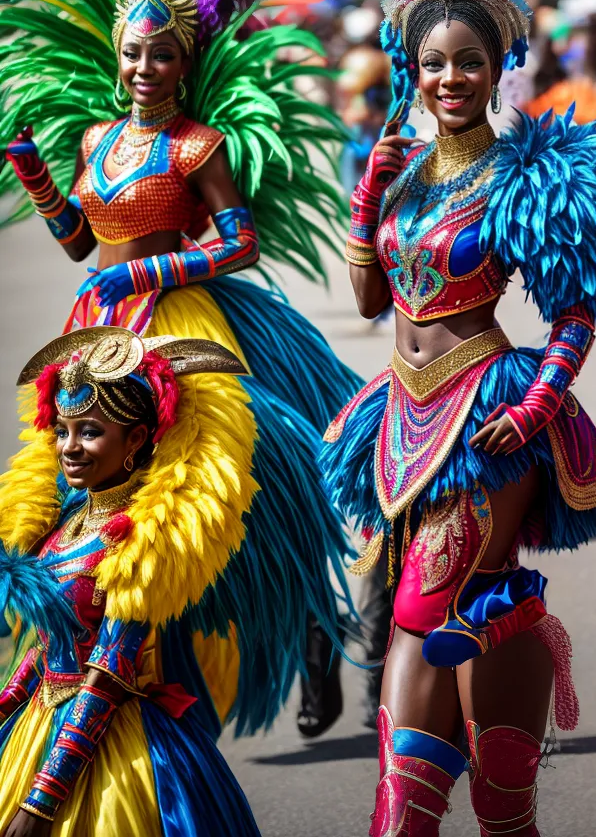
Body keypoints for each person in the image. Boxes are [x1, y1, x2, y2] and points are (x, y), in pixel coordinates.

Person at [0, 0, 361, 742]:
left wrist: (153, 269)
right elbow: (80, 241)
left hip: (178, 322)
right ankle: (84, 646)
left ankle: (308, 621)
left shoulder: (198, 145)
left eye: (160, 55)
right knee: (82, 478)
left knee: (217, 476)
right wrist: (37, 178)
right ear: (114, 56)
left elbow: (238, 241)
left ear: (184, 62)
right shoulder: (95, 141)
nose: (142, 69)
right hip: (94, 321)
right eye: (132, 53)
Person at [320, 0, 596, 835]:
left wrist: (540, 405)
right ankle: (471, 786)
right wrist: (365, 199)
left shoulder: (523, 173)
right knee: (436, 610)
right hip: (400, 412)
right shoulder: (404, 175)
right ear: (412, 69)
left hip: (485, 413)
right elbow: (370, 300)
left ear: (502, 61)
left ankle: (490, 751)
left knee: (424, 603)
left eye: (469, 60)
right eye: (434, 63)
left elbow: (578, 308)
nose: (451, 78)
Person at [0, 326, 350, 834]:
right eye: (62, 431)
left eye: (90, 432)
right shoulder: (61, 527)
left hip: (110, 745)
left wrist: (41, 801)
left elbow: (108, 674)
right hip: (37, 725)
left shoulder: (145, 539)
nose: (69, 448)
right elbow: (46, 649)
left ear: (136, 439)